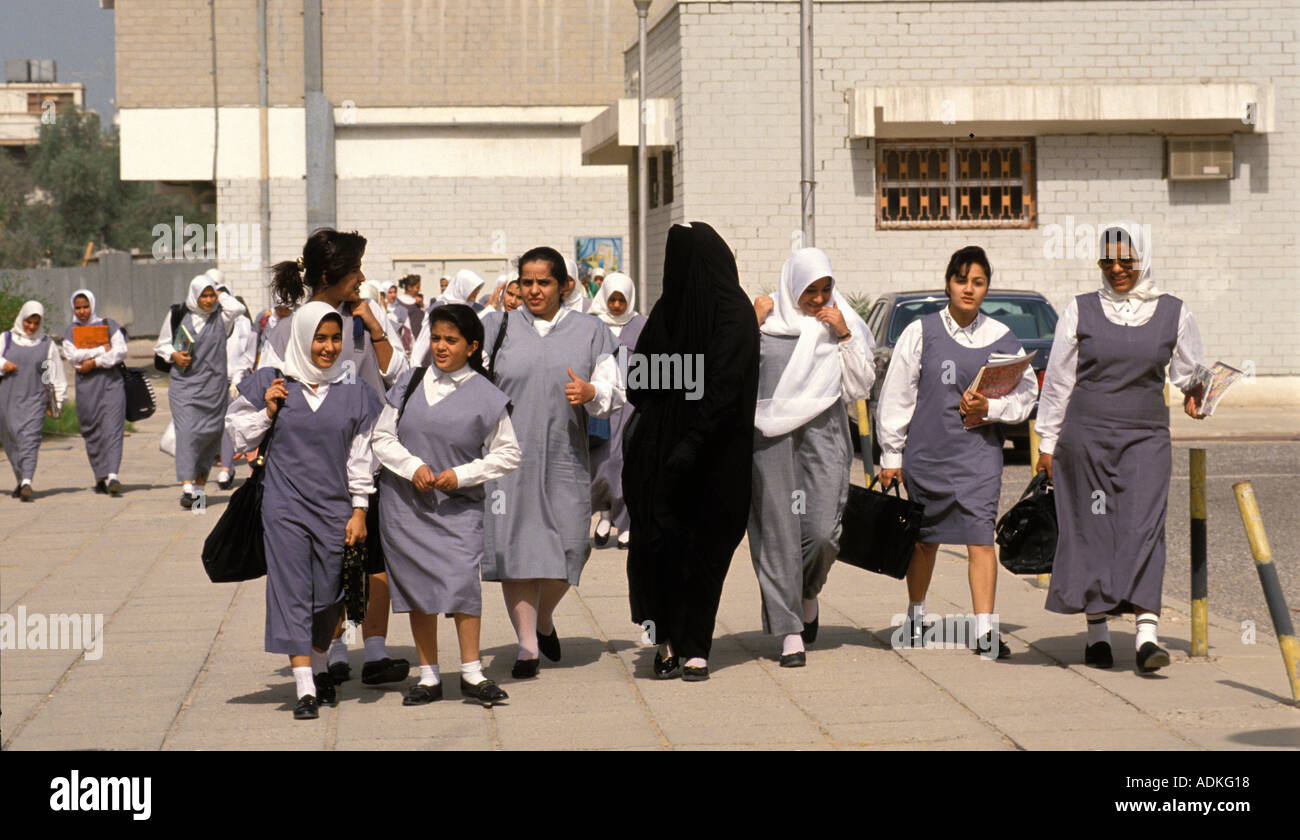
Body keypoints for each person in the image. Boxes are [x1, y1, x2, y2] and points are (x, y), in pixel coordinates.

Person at [1036, 224, 1206, 673]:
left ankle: (1147, 634)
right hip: (1085, 440)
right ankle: (1097, 632)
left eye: (1125, 261)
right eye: (1107, 262)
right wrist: (1047, 444)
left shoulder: (1174, 312)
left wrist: (1198, 393)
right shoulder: (1079, 310)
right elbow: (1058, 382)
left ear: (1141, 259)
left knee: (1142, 526)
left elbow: (1190, 373)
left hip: (1146, 440)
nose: (1116, 269)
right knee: (1094, 528)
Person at [875, 245, 1038, 659]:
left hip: (979, 455)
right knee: (924, 540)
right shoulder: (920, 332)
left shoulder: (1001, 337)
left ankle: (984, 629)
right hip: (927, 454)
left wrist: (992, 409)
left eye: (978, 282)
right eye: (962, 280)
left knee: (980, 539)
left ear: (987, 288)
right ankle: (915, 616)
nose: (969, 288)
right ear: (948, 282)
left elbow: (1025, 393)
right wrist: (891, 455)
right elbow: (897, 395)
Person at [268, 228, 412, 689]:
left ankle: (374, 651)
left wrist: (374, 325)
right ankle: (329, 655)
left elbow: (398, 375)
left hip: (369, 457)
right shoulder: (290, 328)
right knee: (325, 567)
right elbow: (268, 387)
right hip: (314, 468)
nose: (361, 278)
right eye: (354, 271)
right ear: (331, 275)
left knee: (374, 561)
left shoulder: (365, 317)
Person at [226, 302, 382, 719]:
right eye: (320, 338)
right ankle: (305, 687)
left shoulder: (356, 392)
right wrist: (268, 411)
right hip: (284, 506)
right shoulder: (271, 382)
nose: (328, 347)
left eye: (335, 339)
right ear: (301, 338)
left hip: (335, 508)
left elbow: (361, 456)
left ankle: (317, 664)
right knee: (292, 590)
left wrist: (360, 510)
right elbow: (238, 434)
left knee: (330, 595)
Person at [480, 246, 625, 678]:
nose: (534, 290)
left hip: (566, 457)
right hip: (509, 461)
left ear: (564, 286)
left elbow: (612, 389)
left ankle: (543, 620)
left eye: (544, 282)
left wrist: (592, 394)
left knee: (571, 547)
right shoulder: (498, 326)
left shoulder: (591, 331)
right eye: (526, 282)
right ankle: (527, 647)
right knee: (514, 551)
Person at [624, 222, 760, 681]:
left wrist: (691, 437)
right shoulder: (668, 312)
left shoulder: (735, 316)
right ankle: (664, 642)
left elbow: (725, 390)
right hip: (658, 458)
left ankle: (696, 645)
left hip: (717, 459)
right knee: (658, 548)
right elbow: (636, 382)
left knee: (705, 552)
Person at [372, 304, 522, 706]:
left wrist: (462, 474)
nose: (440, 346)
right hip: (406, 506)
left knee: (460, 584)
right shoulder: (409, 382)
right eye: (436, 338)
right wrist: (413, 466)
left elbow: (508, 454)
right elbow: (382, 438)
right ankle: (428, 676)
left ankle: (472, 672)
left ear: (472, 346)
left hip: (458, 508)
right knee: (418, 589)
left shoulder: (487, 396)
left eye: (451, 340)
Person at [748, 248, 875, 667]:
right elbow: (735, 373)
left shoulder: (841, 322)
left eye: (825, 289)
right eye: (809, 291)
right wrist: (750, 325)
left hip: (824, 433)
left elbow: (859, 387)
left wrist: (844, 334)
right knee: (777, 532)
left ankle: (806, 591)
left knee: (822, 532)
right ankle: (789, 632)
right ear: (791, 287)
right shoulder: (765, 321)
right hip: (770, 439)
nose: (819, 300)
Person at [153, 274, 247, 508]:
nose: (208, 300)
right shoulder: (178, 315)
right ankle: (187, 487)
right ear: (194, 295)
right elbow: (162, 344)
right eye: (203, 295)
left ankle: (199, 489)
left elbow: (238, 308)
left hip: (214, 388)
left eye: (211, 295)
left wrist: (220, 291)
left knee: (209, 436)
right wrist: (174, 355)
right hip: (184, 386)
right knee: (187, 433)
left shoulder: (222, 317)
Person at [587, 272, 645, 550]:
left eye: (622, 300)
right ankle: (605, 514)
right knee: (602, 463)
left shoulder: (642, 325)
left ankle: (626, 521)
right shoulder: (592, 325)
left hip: (632, 404)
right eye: (613, 299)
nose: (618, 305)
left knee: (625, 463)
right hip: (600, 404)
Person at [61, 289, 128, 495]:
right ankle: (100, 475)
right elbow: (72, 356)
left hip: (111, 385)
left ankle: (113, 476)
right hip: (87, 388)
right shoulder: (70, 331)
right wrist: (101, 350)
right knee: (92, 431)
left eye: (85, 306)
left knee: (113, 429)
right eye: (78, 308)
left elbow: (120, 351)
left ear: (92, 305)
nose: (82, 311)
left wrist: (95, 362)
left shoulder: (109, 325)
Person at [1, 301, 67, 501]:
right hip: (7, 402)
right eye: (28, 322)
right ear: (22, 319)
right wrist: (4, 364)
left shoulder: (46, 345)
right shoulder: (6, 339)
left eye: (36, 323)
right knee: (11, 441)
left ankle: (28, 481)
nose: (31, 327)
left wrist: (55, 403)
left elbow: (52, 376)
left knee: (30, 440)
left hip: (34, 401)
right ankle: (21, 480)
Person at [216, 285, 255, 490]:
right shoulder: (214, 323)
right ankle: (226, 467)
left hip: (238, 380)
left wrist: (238, 378)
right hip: (215, 380)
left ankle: (230, 467)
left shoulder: (244, 324)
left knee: (234, 422)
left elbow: (247, 353)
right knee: (219, 424)